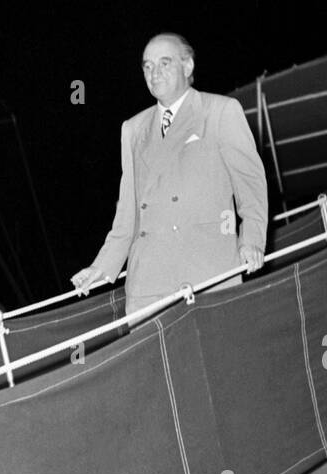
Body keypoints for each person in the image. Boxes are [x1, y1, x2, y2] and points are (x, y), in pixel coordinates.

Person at [71, 33, 268, 315]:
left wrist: (251, 242)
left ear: (187, 68)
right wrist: (101, 267)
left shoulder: (220, 111)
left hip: (207, 274)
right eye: (147, 66)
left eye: (164, 63)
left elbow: (251, 187)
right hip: (147, 286)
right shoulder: (132, 129)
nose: (154, 73)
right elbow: (128, 214)